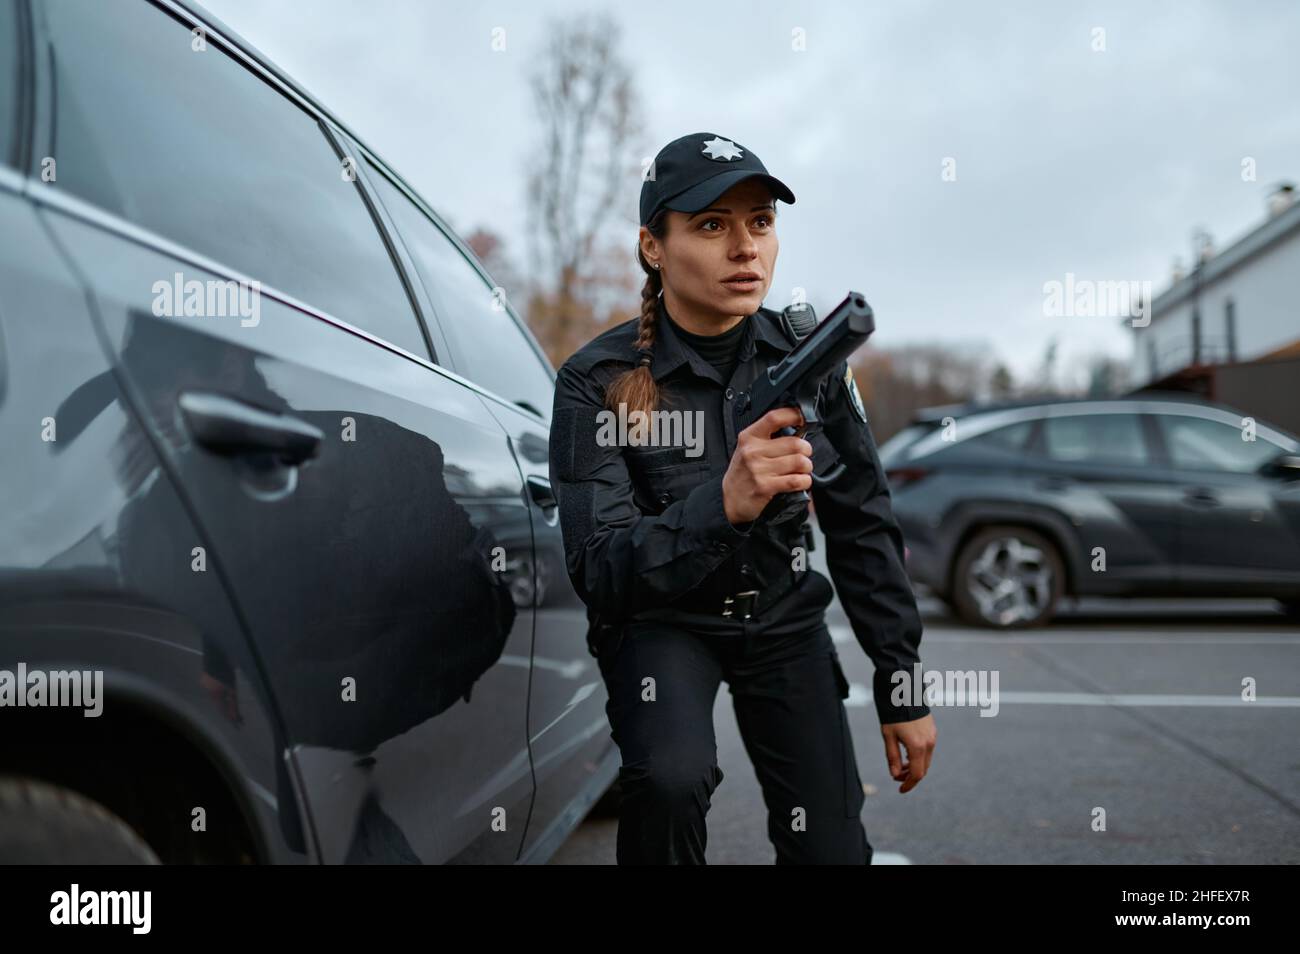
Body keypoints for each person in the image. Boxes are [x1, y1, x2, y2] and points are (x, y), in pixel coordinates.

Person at [548, 132, 937, 864]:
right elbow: (598, 566)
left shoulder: (808, 356)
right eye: (710, 225)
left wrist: (903, 683)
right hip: (662, 624)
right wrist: (722, 506)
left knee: (830, 845)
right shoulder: (596, 380)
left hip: (784, 619)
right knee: (668, 779)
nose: (745, 248)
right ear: (652, 246)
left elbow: (863, 525)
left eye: (760, 222)